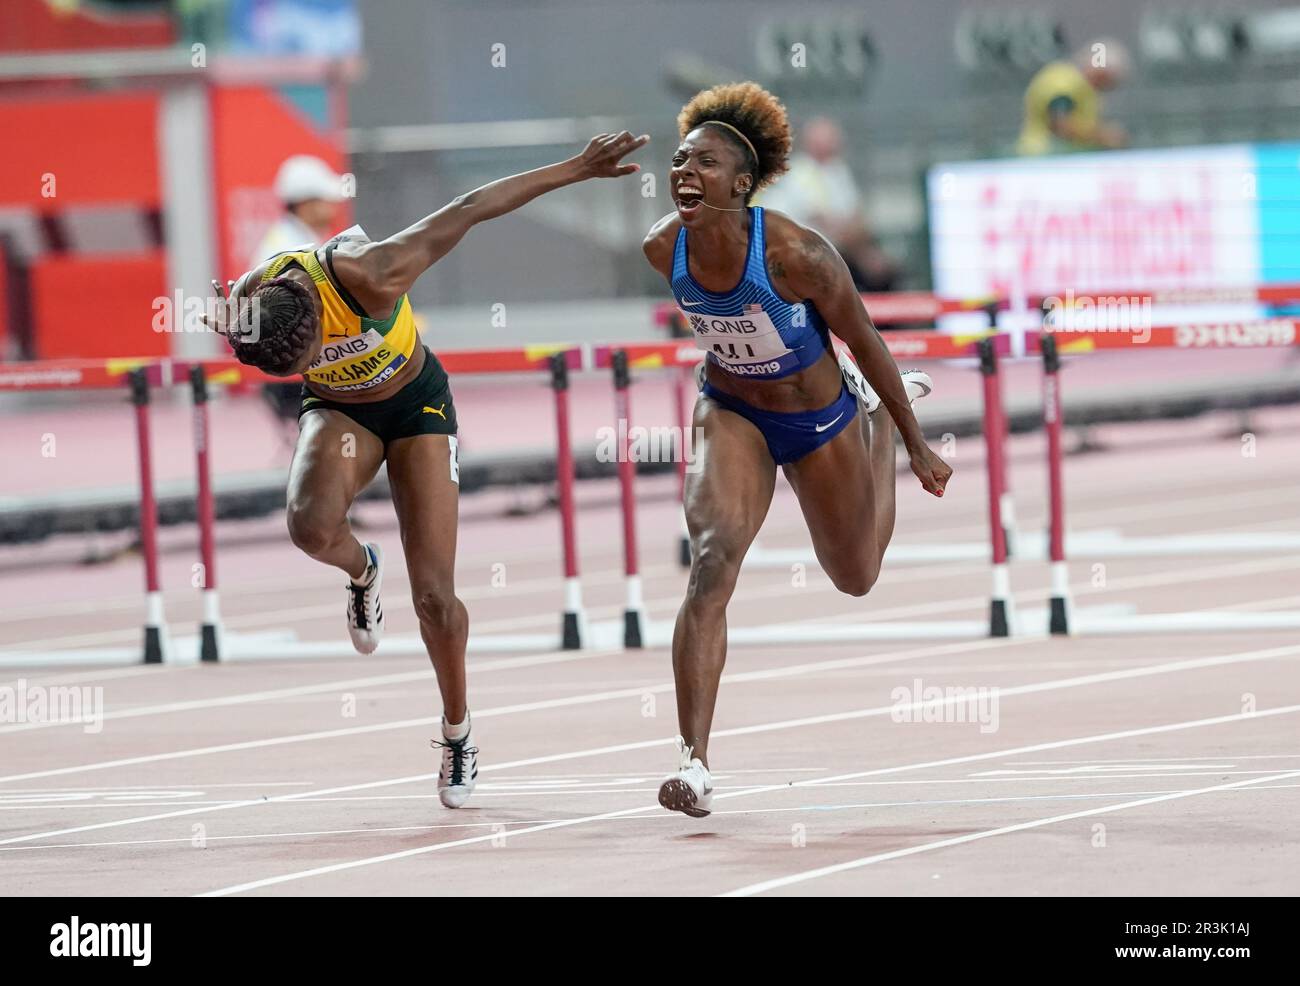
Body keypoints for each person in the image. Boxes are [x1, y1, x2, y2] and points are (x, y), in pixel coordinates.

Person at [206, 132, 649, 808]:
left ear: (322, 326)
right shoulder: (253, 303)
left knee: (435, 600)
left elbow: (471, 205)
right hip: (341, 411)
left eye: (308, 356)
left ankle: (459, 734)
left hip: (416, 410)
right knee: (306, 526)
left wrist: (577, 169)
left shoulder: (375, 270)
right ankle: (362, 570)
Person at [642, 82, 952, 818]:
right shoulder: (664, 246)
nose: (685, 171)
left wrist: (913, 442)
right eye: (680, 160)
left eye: (705, 163)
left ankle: (873, 419)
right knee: (712, 562)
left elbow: (868, 338)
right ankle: (694, 763)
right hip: (732, 412)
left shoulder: (797, 254)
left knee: (855, 576)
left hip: (819, 417)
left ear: (741, 184)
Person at [758, 116, 899, 291]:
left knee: (887, 272)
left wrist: (864, 247)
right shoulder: (800, 173)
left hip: (840, 250)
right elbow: (823, 221)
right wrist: (862, 253)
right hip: (808, 254)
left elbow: (856, 215)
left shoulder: (838, 170)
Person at [1017, 40, 1131, 156]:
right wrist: (1103, 135)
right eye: (1110, 80)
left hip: (1063, 157)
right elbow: (1061, 125)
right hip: (1045, 156)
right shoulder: (1064, 81)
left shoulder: (1084, 88)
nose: (1108, 86)